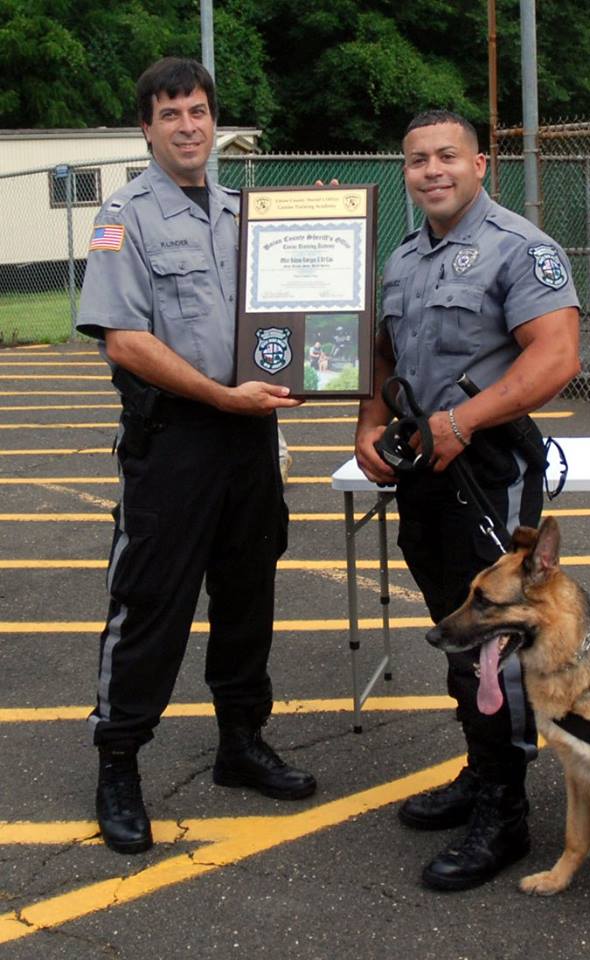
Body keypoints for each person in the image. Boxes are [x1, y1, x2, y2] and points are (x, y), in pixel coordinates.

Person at [76, 57, 316, 856]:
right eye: (170, 112)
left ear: (217, 123)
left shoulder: (248, 213)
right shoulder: (123, 217)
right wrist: (219, 397)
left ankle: (240, 743)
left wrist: (306, 372)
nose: (187, 125)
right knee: (151, 602)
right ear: (146, 127)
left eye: (199, 111)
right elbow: (125, 340)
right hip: (175, 440)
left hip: (248, 437)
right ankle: (119, 763)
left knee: (247, 596)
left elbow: (283, 317)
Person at [354, 110, 581, 891]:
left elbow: (555, 356)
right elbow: (382, 354)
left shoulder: (522, 248)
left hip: (487, 469)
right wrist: (370, 423)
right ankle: (482, 772)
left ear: (481, 162)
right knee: (458, 633)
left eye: (447, 155)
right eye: (417, 159)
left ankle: (506, 815)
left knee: (501, 642)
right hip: (424, 471)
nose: (431, 170)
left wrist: (461, 420)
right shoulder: (404, 258)